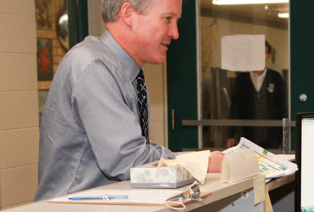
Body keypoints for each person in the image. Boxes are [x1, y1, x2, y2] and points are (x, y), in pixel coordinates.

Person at [35, 0, 222, 201]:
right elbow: (127, 158)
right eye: (167, 19)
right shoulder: (93, 66)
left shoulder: (127, 72)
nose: (175, 33)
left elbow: (134, 150)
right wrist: (200, 163)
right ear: (128, 14)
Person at [228, 40, 287, 149]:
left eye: (262, 53)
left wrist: (284, 137)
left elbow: (282, 106)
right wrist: (231, 134)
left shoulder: (275, 77)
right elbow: (235, 107)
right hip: (247, 135)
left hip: (272, 136)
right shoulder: (242, 79)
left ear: (268, 56)